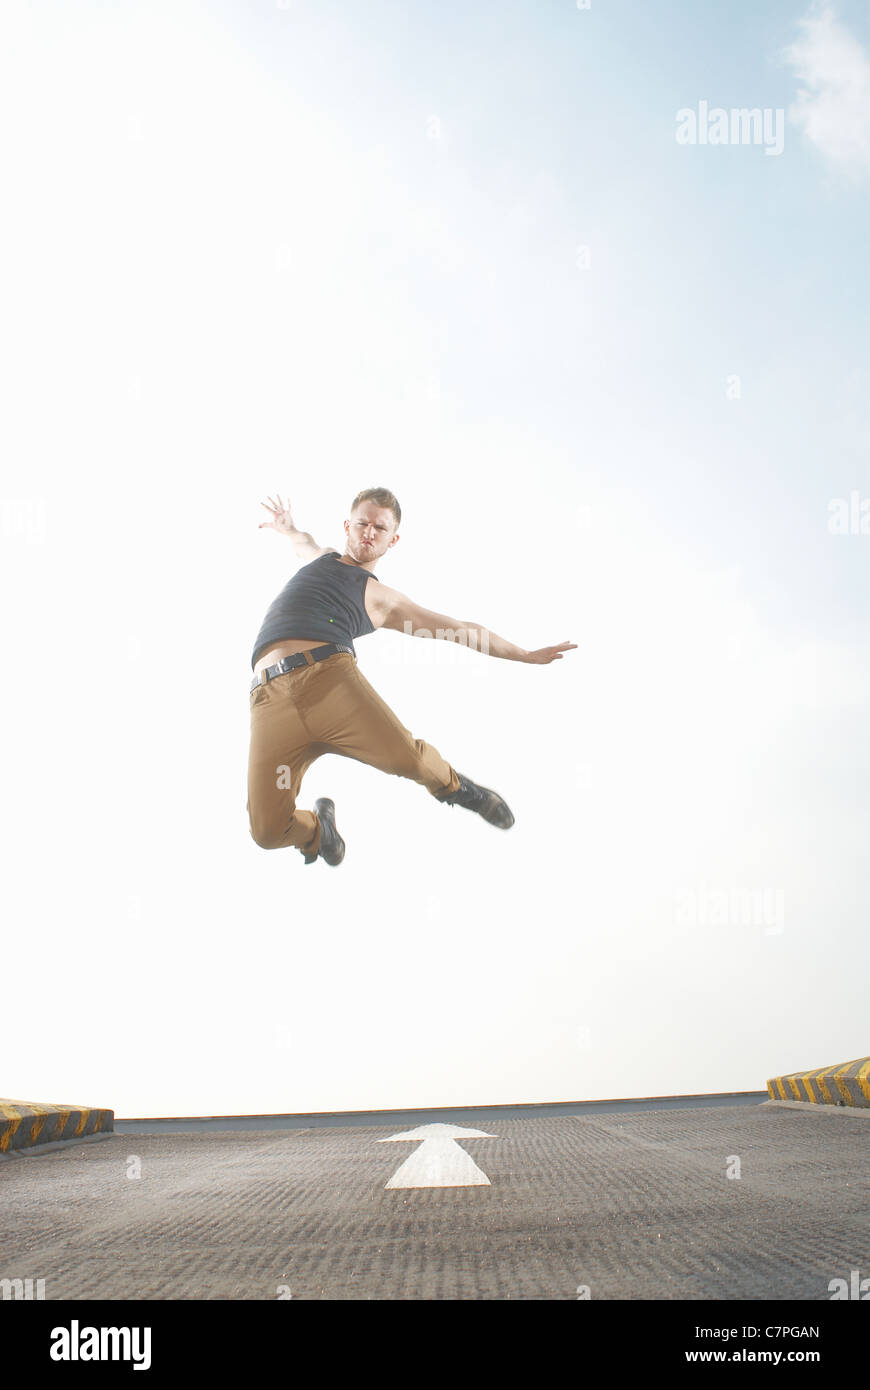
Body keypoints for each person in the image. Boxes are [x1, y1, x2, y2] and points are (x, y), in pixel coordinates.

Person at [247, 487, 576, 865]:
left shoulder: (383, 600)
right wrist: (288, 528)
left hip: (329, 686)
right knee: (268, 829)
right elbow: (302, 542)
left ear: (392, 539)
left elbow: (461, 629)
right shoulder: (322, 559)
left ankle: (458, 788)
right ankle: (319, 831)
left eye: (380, 528)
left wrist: (524, 654)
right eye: (363, 524)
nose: (369, 533)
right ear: (347, 527)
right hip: (271, 704)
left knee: (408, 760)